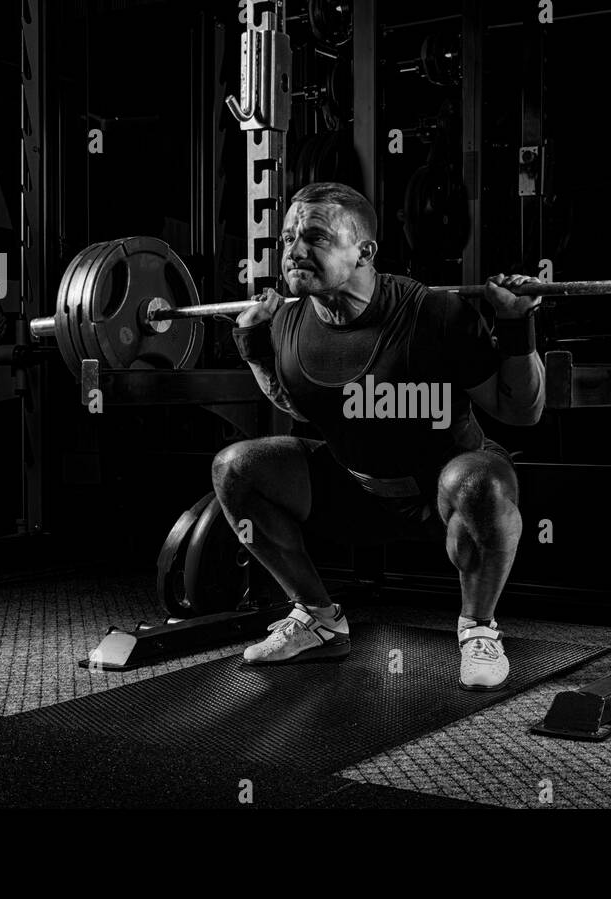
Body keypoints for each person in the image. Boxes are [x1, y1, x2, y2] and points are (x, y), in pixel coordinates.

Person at [215, 182, 544, 690]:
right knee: (236, 468)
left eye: (316, 237)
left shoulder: (434, 313)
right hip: (358, 489)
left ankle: (478, 627)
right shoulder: (289, 320)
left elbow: (519, 411)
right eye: (287, 239)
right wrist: (253, 345)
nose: (295, 252)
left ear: (365, 250)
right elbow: (295, 404)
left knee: (478, 480)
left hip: (446, 491)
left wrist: (515, 326)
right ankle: (319, 621)